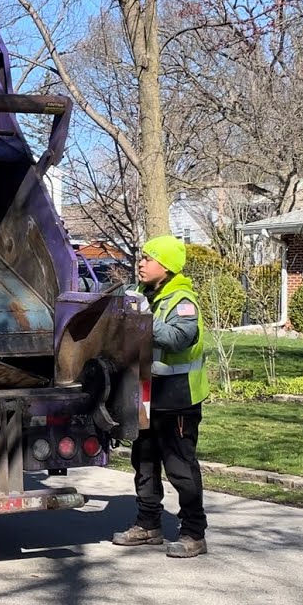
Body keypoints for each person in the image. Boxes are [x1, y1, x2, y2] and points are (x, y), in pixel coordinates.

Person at [112, 235, 209, 558]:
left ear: (166, 266)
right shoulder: (138, 294)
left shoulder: (183, 301)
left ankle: (194, 532)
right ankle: (148, 524)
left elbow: (180, 338)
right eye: (141, 257)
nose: (141, 263)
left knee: (180, 466)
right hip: (145, 394)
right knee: (144, 461)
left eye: (148, 258)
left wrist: (142, 318)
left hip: (178, 397)